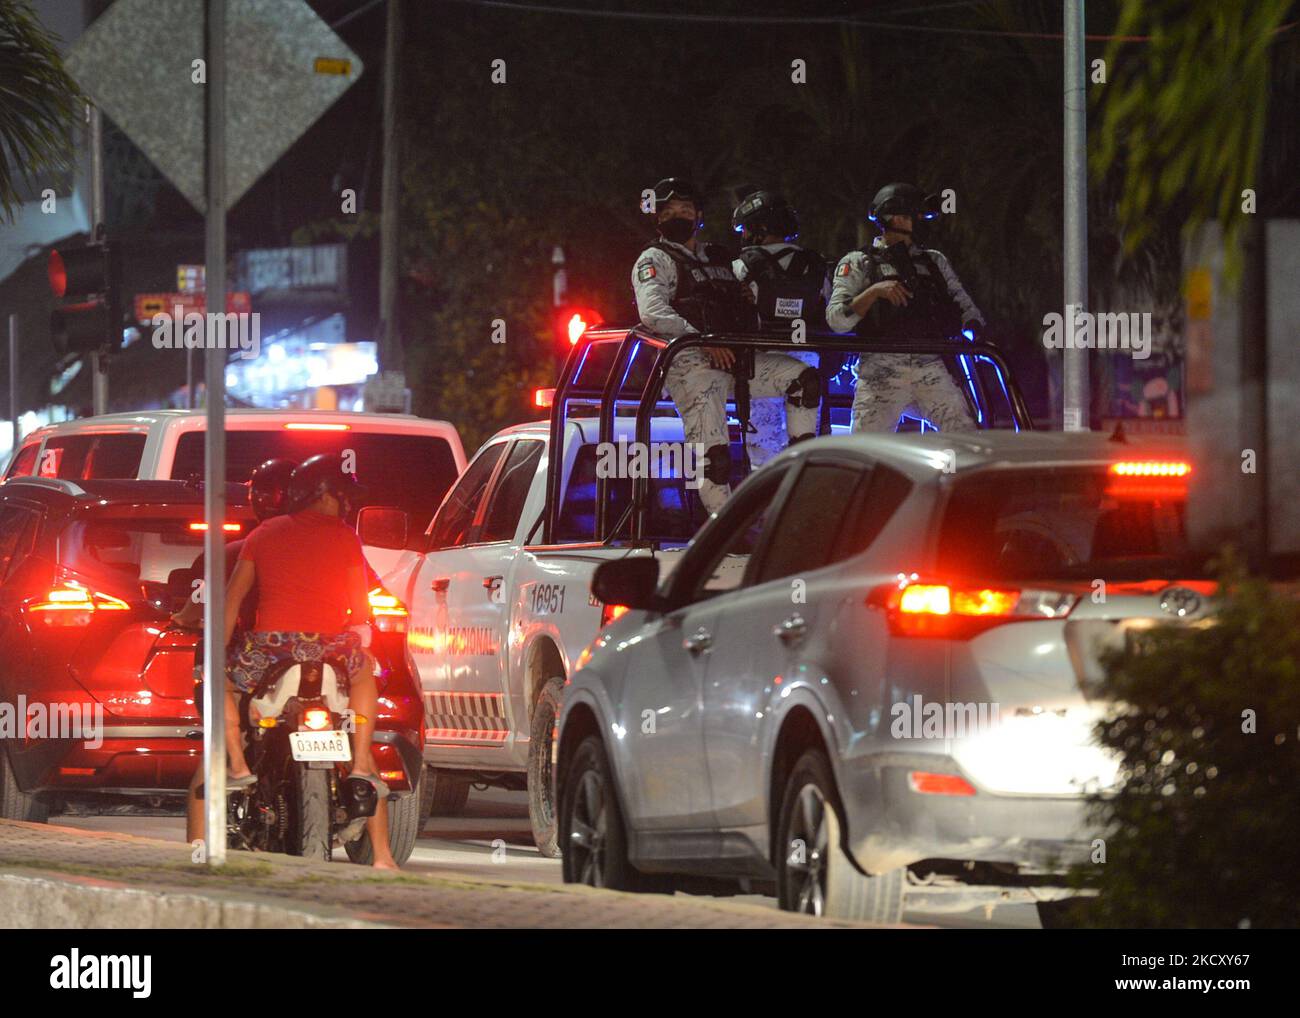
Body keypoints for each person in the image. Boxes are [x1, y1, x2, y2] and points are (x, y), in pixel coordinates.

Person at [222, 452, 398, 869]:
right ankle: (383, 851)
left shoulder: (263, 534)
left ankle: (238, 764)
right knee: (363, 678)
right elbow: (359, 609)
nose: (344, 504)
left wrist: (219, 649)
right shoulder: (344, 537)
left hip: (272, 649)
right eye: (340, 496)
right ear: (322, 496)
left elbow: (232, 602)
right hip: (333, 649)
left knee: (221, 684)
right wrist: (358, 641)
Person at [631, 177, 820, 512]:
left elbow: (740, 303)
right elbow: (652, 312)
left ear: (698, 215)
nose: (677, 215)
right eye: (669, 211)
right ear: (658, 218)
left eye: (685, 209)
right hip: (691, 365)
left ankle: (799, 474)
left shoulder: (718, 257)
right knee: (716, 459)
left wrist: (745, 300)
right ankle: (728, 540)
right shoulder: (654, 259)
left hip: (736, 359)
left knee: (804, 380)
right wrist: (703, 340)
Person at [176, 457, 295, 844]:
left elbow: (203, 610)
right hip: (318, 663)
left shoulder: (237, 550)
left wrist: (183, 616)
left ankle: (197, 850)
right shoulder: (337, 539)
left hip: (252, 670)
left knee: (214, 759)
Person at [826, 182, 984, 433]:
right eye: (914, 216)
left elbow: (965, 306)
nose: (919, 222)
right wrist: (875, 292)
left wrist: (972, 329)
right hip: (881, 367)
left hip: (932, 362)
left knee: (967, 437)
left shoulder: (934, 260)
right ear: (895, 218)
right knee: (867, 451)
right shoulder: (860, 261)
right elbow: (836, 320)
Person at [731, 188, 830, 461]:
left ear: (759, 228)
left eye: (746, 229)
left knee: (763, 455)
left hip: (760, 365)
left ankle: (766, 501)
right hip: (809, 364)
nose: (743, 236)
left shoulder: (741, 265)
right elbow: (831, 314)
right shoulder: (817, 265)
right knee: (807, 451)